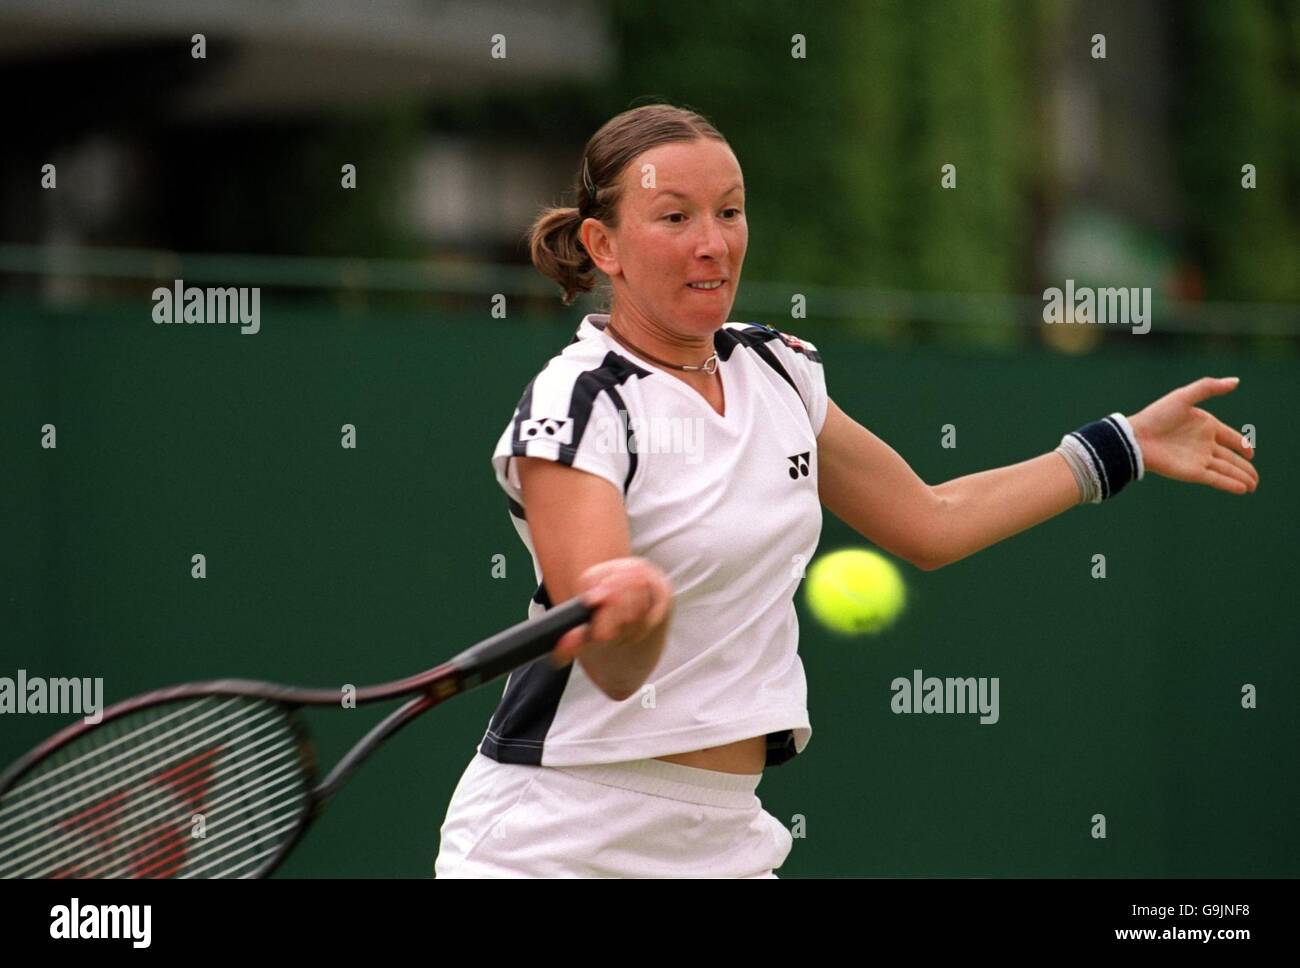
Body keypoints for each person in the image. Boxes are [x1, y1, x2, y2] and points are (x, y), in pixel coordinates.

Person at [434, 104, 1259, 879]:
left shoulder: (778, 372)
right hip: (555, 842)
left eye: (730, 210)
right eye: (675, 217)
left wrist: (1122, 447)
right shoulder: (577, 402)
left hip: (724, 838)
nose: (714, 243)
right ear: (603, 246)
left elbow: (930, 523)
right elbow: (614, 669)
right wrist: (634, 611)